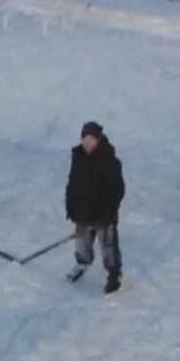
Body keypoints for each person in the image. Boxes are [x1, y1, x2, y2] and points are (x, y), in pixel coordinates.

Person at [65, 121, 126, 294]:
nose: (87, 143)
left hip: (103, 213)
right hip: (83, 210)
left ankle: (114, 274)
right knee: (82, 241)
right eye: (84, 138)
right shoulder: (78, 157)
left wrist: (109, 210)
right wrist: (70, 205)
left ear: (98, 140)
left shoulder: (109, 159)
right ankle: (82, 263)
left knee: (108, 245)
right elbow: (72, 183)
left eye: (91, 138)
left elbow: (118, 189)